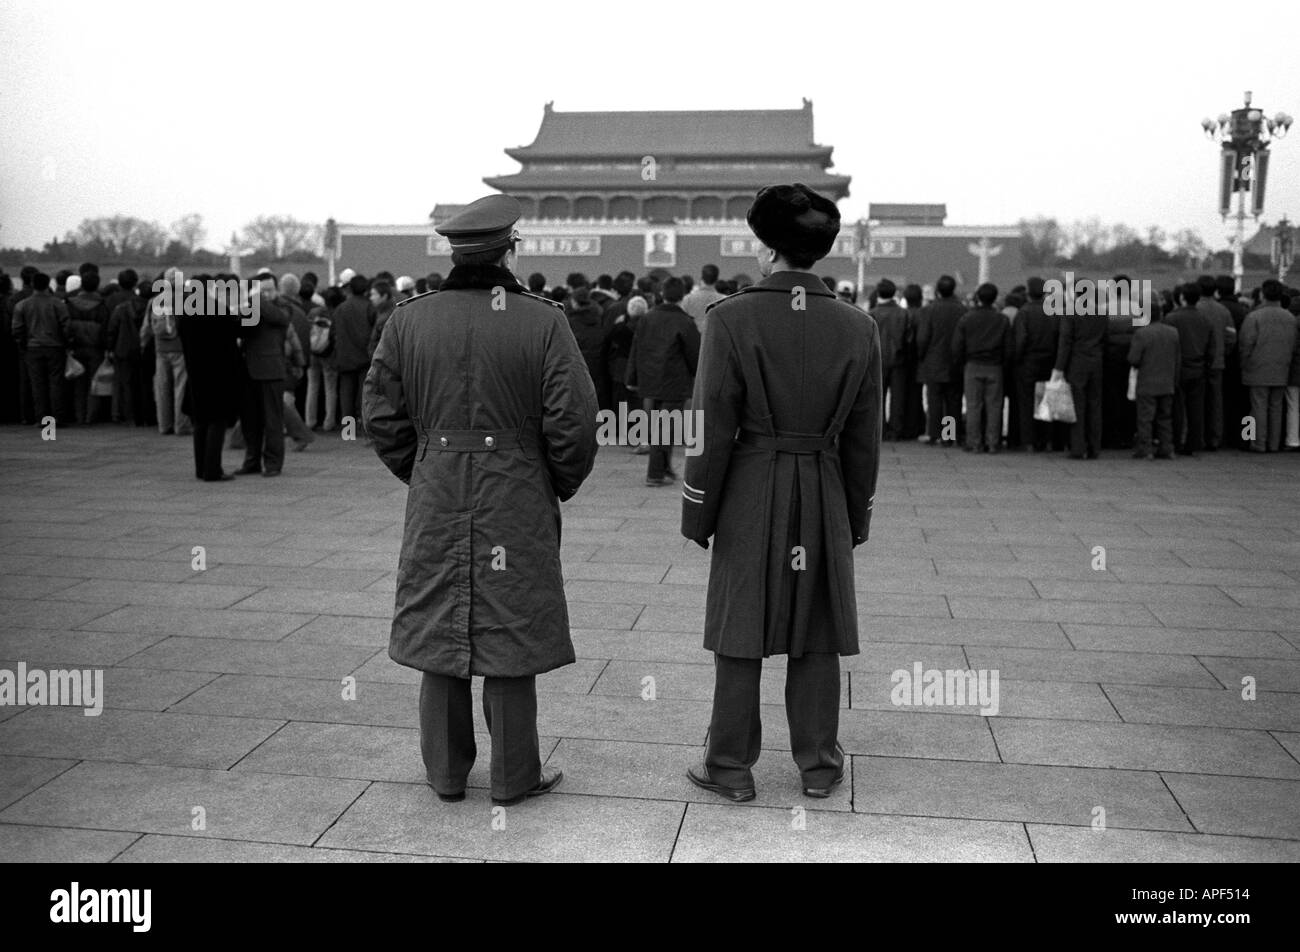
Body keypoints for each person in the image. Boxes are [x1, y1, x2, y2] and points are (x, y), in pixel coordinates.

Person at [363, 194, 598, 806]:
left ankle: (445, 775)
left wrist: (424, 469)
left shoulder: (408, 319)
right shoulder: (543, 320)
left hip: (438, 484)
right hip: (515, 485)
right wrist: (555, 481)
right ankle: (514, 776)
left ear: (453, 251)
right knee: (512, 628)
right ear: (509, 248)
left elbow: (382, 415)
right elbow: (572, 418)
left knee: (439, 624)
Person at [681, 183, 881, 803]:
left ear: (765, 247)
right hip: (821, 484)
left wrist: (698, 509)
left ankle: (730, 767)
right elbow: (864, 437)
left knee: (740, 628)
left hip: (751, 485)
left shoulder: (730, 317)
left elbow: (711, 424)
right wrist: (855, 514)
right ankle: (819, 765)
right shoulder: (859, 327)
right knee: (817, 629)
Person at [626, 276, 700, 485]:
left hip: (650, 380)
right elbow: (694, 354)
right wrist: (697, 374)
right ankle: (655, 473)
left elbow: (636, 349)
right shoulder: (685, 322)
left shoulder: (647, 318)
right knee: (665, 428)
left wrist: (632, 378)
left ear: (661, 294)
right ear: (683, 296)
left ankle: (664, 467)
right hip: (674, 382)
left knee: (662, 425)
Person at [178, 277, 243, 481]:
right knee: (217, 421)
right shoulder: (219, 310)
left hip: (195, 372)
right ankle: (213, 469)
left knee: (200, 421)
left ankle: (201, 468)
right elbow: (237, 332)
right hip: (218, 372)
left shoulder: (185, 312)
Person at [235, 274, 290, 476]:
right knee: (250, 421)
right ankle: (252, 461)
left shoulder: (282, 306)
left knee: (272, 421)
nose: (265, 294)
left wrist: (257, 298)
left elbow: (280, 318)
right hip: (248, 370)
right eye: (261, 290)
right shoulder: (252, 307)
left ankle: (273, 463)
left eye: (268, 289)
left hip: (271, 371)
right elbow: (242, 327)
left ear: (276, 290)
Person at [1238, 279, 1297, 453]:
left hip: (1257, 368)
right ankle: (1273, 443)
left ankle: (1258, 443)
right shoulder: (1290, 318)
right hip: (1282, 368)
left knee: (1258, 407)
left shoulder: (1254, 316)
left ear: (1262, 295)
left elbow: (1246, 344)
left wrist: (1245, 363)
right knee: (1276, 407)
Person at [1052, 283, 1108, 459]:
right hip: (1096, 362)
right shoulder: (1101, 313)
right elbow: (1105, 340)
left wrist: (1059, 368)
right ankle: (1094, 448)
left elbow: (1065, 343)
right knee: (1095, 406)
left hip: (1076, 363)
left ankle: (1077, 447)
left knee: (1077, 406)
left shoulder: (1070, 313)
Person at [952, 282, 1009, 453]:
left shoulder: (967, 318)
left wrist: (961, 363)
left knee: (973, 405)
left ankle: (974, 442)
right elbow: (1009, 347)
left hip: (973, 365)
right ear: (995, 298)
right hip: (994, 366)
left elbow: (957, 346)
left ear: (977, 297)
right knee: (994, 406)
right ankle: (992, 442)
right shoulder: (1002, 319)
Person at [10, 271, 71, 424]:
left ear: (32, 285)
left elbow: (16, 329)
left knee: (37, 385)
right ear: (48, 285)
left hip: (32, 349)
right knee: (56, 383)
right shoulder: (57, 303)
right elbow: (67, 327)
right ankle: (58, 417)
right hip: (55, 347)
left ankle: (42, 419)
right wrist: (66, 342)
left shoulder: (22, 305)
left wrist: (24, 343)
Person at [1163, 283, 1214, 457]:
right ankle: (1194, 443)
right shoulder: (1205, 319)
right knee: (1196, 408)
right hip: (1198, 368)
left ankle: (1177, 441)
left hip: (1178, 368)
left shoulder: (1172, 318)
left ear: (1182, 297)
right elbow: (1211, 347)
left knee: (1177, 407)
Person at [915, 275, 965, 446]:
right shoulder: (962, 310)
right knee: (953, 401)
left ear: (937, 291)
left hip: (933, 361)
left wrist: (921, 356)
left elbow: (922, 338)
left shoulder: (929, 310)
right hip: (955, 363)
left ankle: (934, 434)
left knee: (934, 400)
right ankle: (949, 435)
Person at [1127, 300, 1180, 459]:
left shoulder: (1141, 334)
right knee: (1165, 417)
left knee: (1145, 418)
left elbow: (1133, 359)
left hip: (1147, 382)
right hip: (1167, 381)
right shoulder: (1173, 332)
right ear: (1161, 314)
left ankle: (1146, 449)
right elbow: (1178, 359)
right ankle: (1167, 448)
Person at [1013, 277, 1060, 452]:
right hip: (1049, 362)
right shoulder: (1053, 312)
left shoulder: (1023, 313)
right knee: (1046, 402)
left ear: (1028, 293)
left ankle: (1029, 441)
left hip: (1028, 362)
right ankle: (1047, 440)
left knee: (1026, 403)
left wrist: (1017, 360)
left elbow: (1020, 340)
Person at [141, 268, 190, 435]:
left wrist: (143, 344)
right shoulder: (188, 300)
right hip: (181, 349)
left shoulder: (155, 301)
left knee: (162, 388)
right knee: (180, 387)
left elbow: (146, 329)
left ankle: (164, 425)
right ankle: (181, 425)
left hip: (160, 349)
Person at [332, 274, 375, 438]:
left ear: (349, 288)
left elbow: (333, 332)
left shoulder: (340, 308)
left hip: (344, 357)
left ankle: (347, 432)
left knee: (346, 396)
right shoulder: (369, 307)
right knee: (363, 396)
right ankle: (365, 429)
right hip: (364, 357)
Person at [66, 271, 110, 425]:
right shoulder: (103, 305)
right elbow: (106, 330)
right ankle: (90, 417)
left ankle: (79, 415)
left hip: (76, 348)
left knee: (78, 383)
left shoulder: (70, 303)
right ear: (97, 285)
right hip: (96, 348)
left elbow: (66, 327)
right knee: (94, 383)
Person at [869, 279, 908, 441]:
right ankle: (896, 430)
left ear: (878, 293)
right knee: (898, 397)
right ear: (894, 294)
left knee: (878, 397)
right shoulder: (903, 313)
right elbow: (908, 338)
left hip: (877, 361)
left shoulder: (872, 313)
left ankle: (880, 430)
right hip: (899, 360)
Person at [1197, 274, 1233, 451]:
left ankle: (1198, 437)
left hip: (1196, 363)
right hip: (1217, 362)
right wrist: (1223, 353)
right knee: (1215, 402)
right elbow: (1231, 337)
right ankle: (1215, 438)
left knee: (1196, 402)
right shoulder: (1223, 311)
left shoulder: (1195, 308)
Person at [306, 286, 342, 430]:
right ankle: (329, 422)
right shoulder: (336, 314)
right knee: (330, 388)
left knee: (312, 386)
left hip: (313, 352)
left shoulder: (314, 312)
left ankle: (310, 420)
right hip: (329, 354)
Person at [681, 263, 725, 336]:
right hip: (714, 341)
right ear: (717, 279)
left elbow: (682, 322)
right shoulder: (724, 300)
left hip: (693, 341)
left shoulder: (688, 299)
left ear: (701, 278)